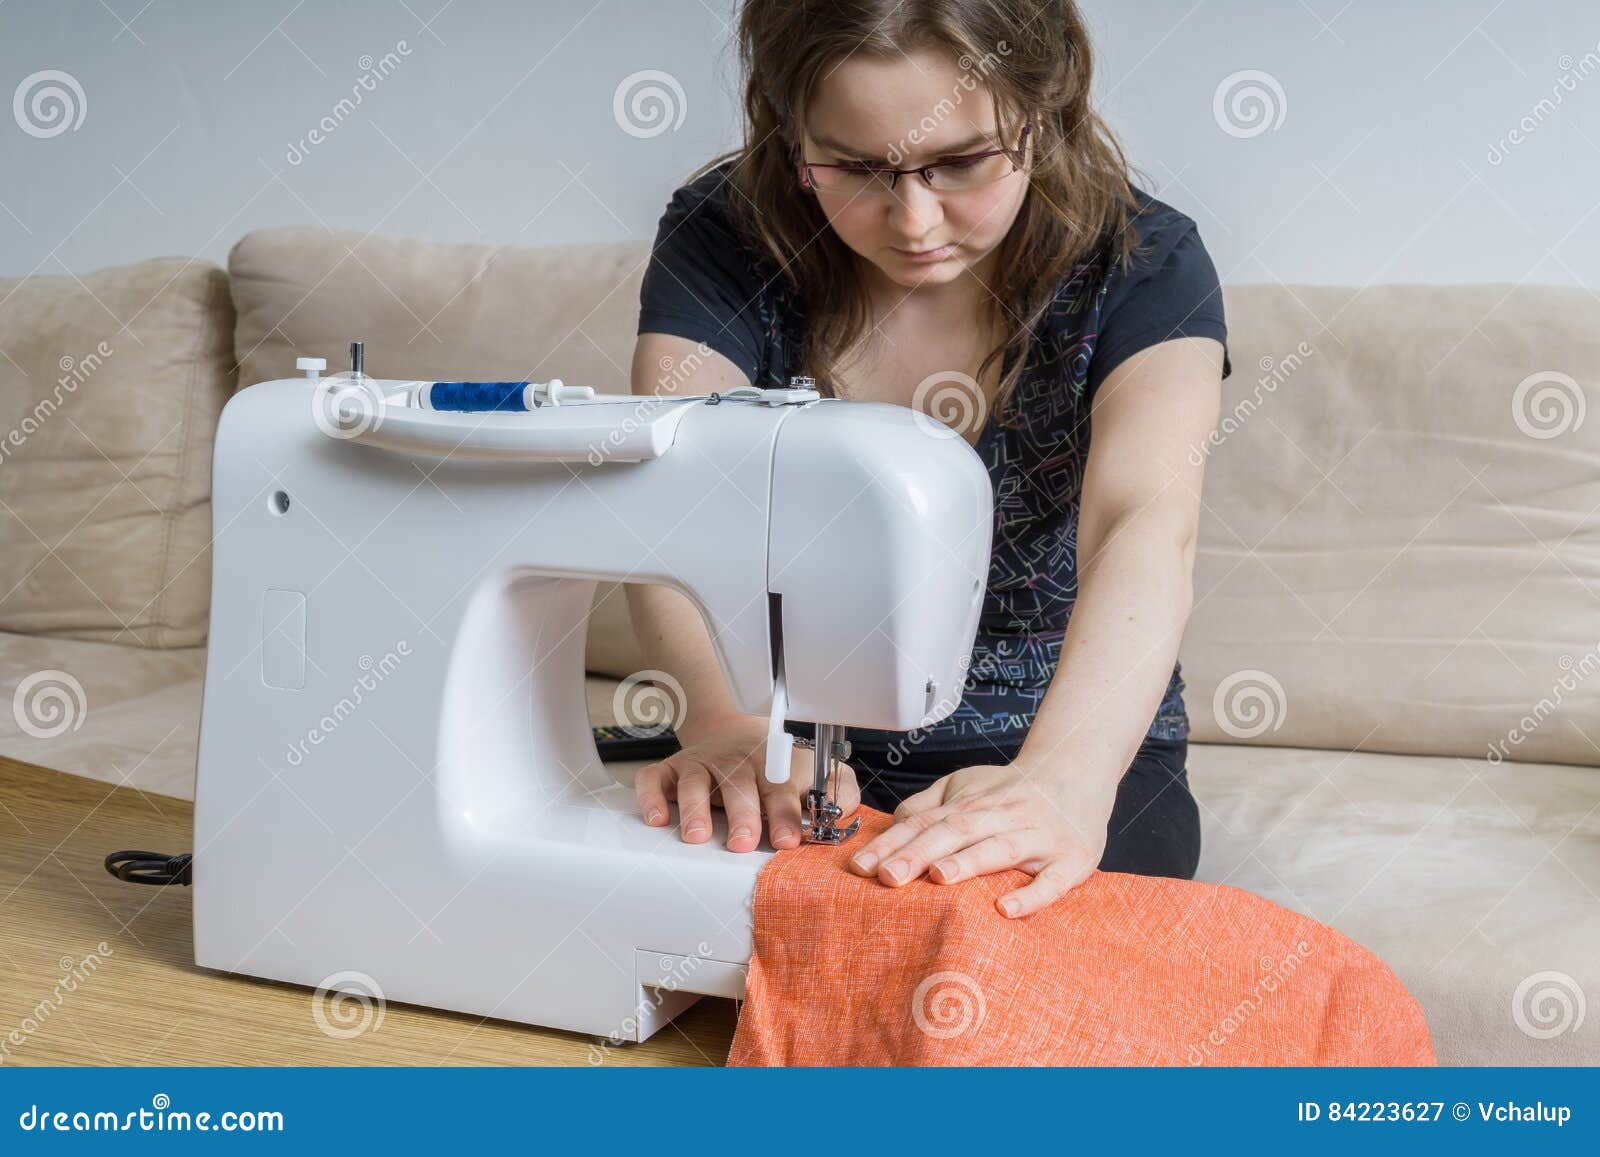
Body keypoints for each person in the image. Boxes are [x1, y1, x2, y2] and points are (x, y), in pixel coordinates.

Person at [627, 0, 1230, 918]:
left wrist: (1062, 781)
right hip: (793, 738)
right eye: (856, 167)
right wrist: (728, 723)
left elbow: (1144, 523)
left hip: (1066, 736)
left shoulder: (1145, 262)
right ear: (788, 132)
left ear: (1043, 110)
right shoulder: (725, 234)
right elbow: (668, 486)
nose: (912, 218)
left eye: (961, 162)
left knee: (996, 945)